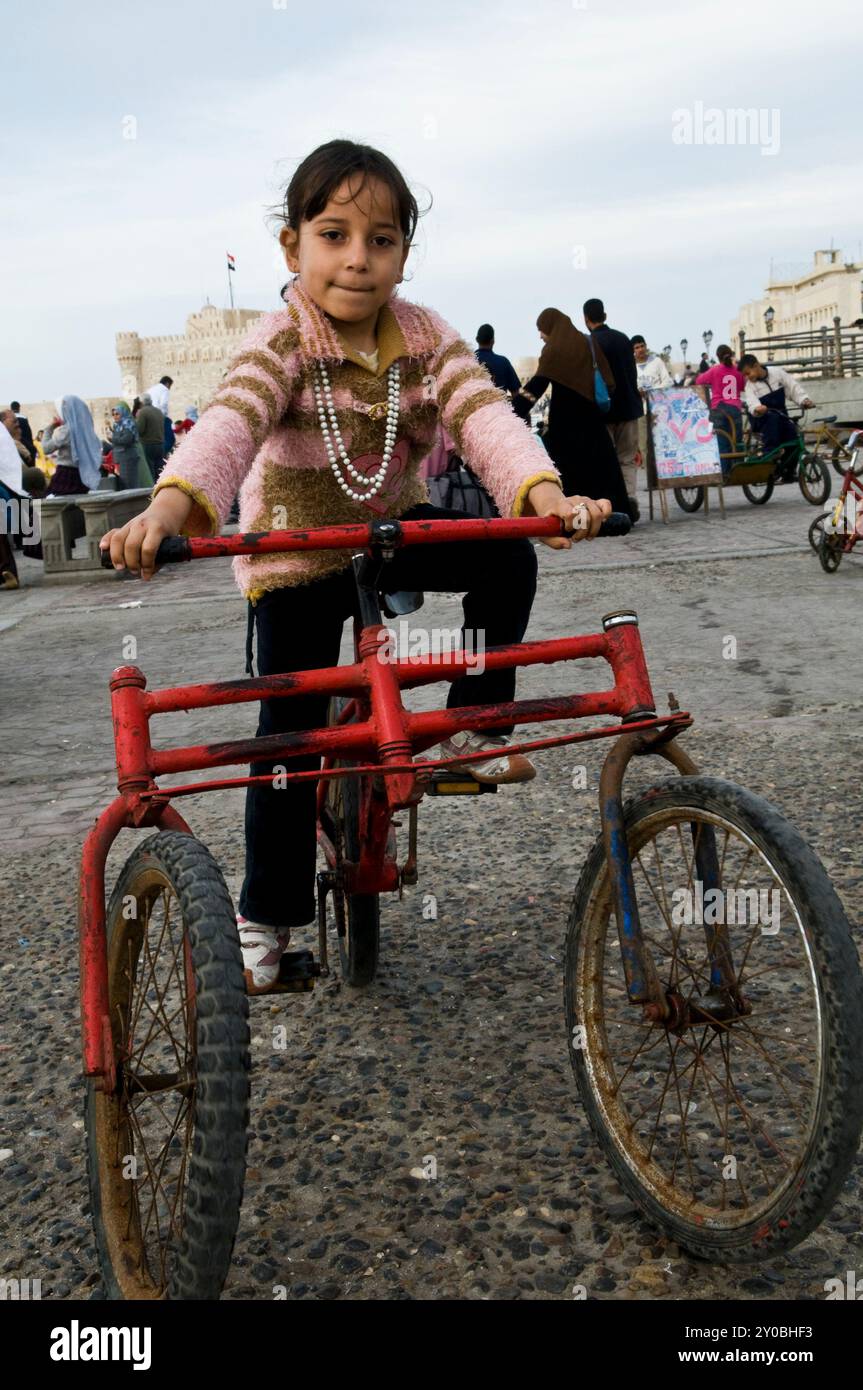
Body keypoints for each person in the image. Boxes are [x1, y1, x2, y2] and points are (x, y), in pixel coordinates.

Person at [100, 138, 612, 993]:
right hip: (291, 549)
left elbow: (483, 415)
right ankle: (264, 914)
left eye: (380, 239)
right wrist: (167, 510)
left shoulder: (422, 333)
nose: (357, 259)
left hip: (386, 528)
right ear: (291, 246)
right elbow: (228, 427)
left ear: (404, 252)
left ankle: (469, 732)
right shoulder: (282, 337)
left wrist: (541, 491)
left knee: (506, 559)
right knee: (289, 742)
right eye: (333, 234)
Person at [512, 308, 629, 515]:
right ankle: (612, 512)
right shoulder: (588, 343)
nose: (541, 335)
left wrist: (512, 411)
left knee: (569, 470)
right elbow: (608, 379)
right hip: (591, 417)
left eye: (541, 330)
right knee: (601, 466)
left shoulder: (553, 350)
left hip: (564, 420)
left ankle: (577, 517)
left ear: (550, 327)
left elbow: (537, 386)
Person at [583, 298, 643, 522]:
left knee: (606, 459)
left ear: (586, 319)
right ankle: (629, 497)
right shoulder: (623, 339)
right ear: (604, 316)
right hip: (629, 408)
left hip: (604, 411)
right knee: (627, 458)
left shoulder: (589, 343)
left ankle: (612, 504)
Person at [740, 354, 815, 473]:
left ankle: (788, 472)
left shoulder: (777, 373)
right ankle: (770, 453)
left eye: (748, 373)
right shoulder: (750, 386)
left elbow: (793, 387)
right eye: (745, 375)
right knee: (772, 419)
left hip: (781, 416)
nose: (747, 377)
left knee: (793, 438)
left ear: (756, 365)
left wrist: (804, 400)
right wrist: (757, 408)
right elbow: (751, 403)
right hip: (761, 420)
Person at [696, 345, 746, 473]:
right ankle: (740, 471)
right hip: (735, 409)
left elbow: (699, 380)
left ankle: (724, 473)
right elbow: (742, 387)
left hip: (718, 409)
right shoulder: (738, 371)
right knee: (737, 441)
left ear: (718, 357)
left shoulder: (714, 370)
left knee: (722, 443)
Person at [42, 396, 103, 495]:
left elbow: (46, 449)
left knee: (44, 504)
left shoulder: (66, 431)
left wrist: (49, 428)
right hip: (81, 475)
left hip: (65, 475)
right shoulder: (86, 429)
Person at [110, 402, 154, 489]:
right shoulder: (119, 425)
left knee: (138, 475)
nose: (115, 416)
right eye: (113, 414)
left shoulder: (128, 423)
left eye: (117, 413)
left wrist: (113, 439)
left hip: (131, 452)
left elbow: (126, 440)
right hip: (125, 454)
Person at [474, 324, 521, 395]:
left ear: (477, 339)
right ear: (493, 341)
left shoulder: (467, 362)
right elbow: (516, 393)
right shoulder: (503, 362)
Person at [135, 392, 167, 481]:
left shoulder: (143, 412)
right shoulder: (158, 411)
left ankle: (152, 492)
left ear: (141, 402)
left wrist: (136, 421)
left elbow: (140, 430)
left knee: (150, 470)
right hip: (160, 444)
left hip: (148, 444)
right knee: (159, 469)